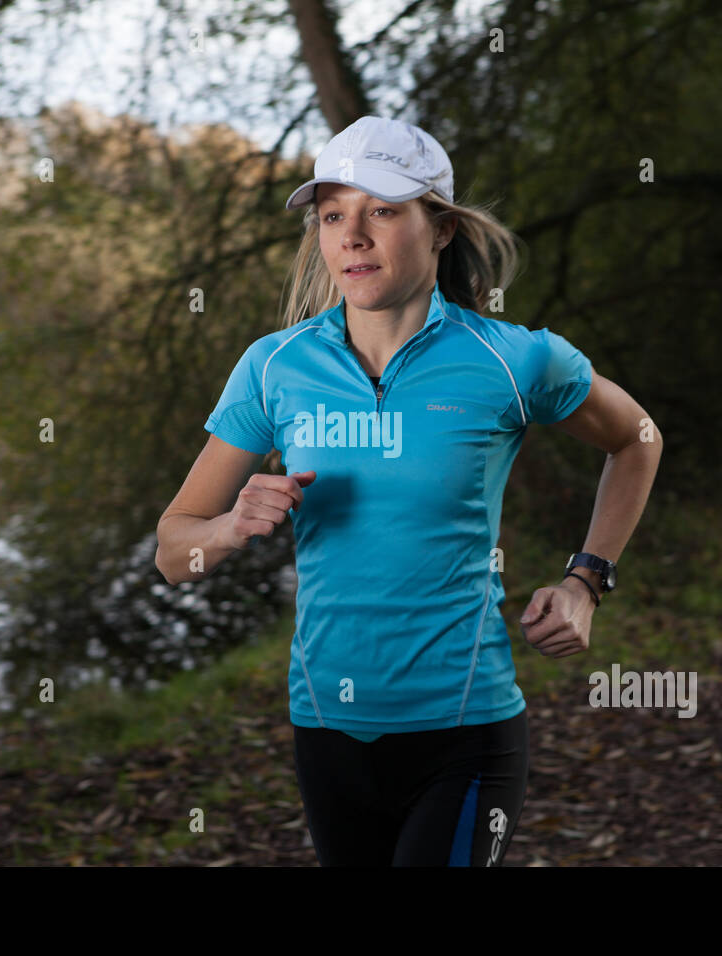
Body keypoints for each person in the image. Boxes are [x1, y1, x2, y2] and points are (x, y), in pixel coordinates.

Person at [155, 115, 662, 866]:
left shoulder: (512, 362)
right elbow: (173, 551)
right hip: (327, 726)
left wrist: (586, 580)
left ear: (443, 227)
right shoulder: (273, 367)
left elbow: (637, 438)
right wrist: (230, 527)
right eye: (333, 216)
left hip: (465, 731)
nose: (352, 236)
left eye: (382, 210)